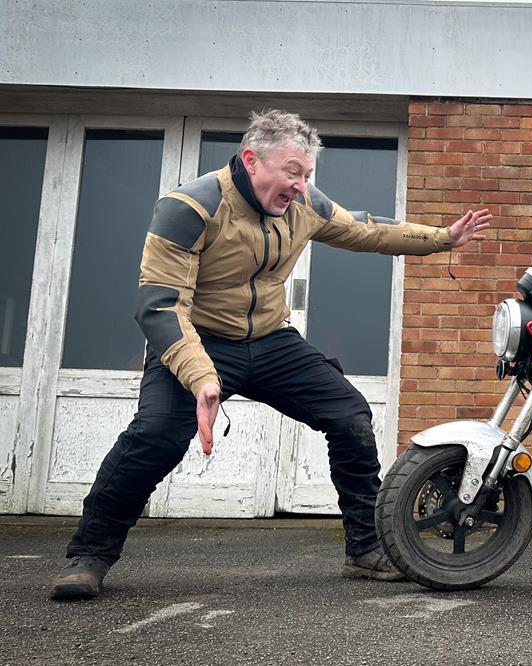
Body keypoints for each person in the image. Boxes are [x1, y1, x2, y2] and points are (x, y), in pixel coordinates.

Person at [48, 110, 491, 600]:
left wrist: (442, 238)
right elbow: (160, 306)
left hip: (270, 340)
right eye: (292, 172)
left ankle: (366, 548)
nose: (301, 186)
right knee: (154, 437)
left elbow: (367, 230)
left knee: (349, 415)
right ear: (251, 159)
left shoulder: (303, 205)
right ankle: (89, 555)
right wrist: (202, 378)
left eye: (307, 175)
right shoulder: (190, 207)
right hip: (198, 341)